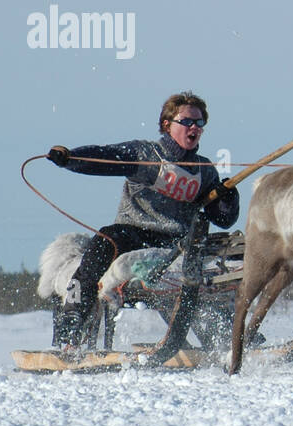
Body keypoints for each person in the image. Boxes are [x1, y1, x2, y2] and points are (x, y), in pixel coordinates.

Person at [46, 91, 240, 347]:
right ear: (166, 125)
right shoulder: (145, 153)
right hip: (131, 234)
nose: (194, 127)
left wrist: (228, 197)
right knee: (105, 240)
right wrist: (69, 158)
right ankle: (72, 322)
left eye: (200, 123)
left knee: (201, 264)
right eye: (187, 121)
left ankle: (231, 337)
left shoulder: (204, 170)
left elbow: (223, 219)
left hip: (174, 243)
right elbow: (102, 157)